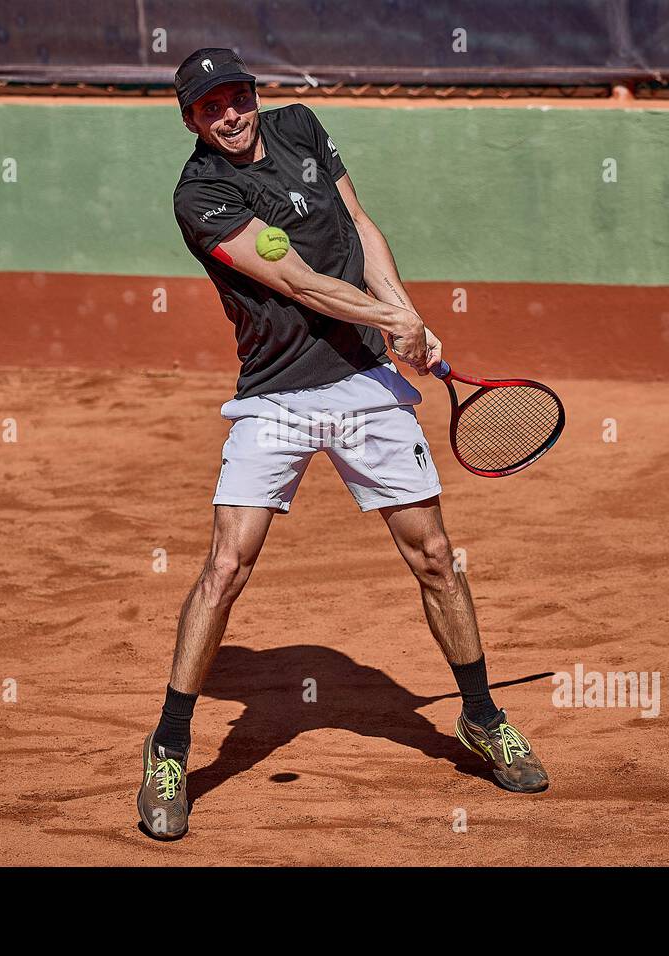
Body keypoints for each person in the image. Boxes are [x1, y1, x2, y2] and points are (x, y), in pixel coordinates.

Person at [137, 47, 548, 840]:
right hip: (277, 393)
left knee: (434, 555)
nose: (229, 114)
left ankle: (481, 716)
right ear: (189, 117)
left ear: (255, 95)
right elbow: (292, 278)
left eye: (237, 97)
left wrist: (407, 315)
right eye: (209, 106)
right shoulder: (202, 193)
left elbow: (359, 228)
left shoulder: (301, 127)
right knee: (228, 564)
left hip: (364, 384)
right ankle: (170, 746)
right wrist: (390, 322)